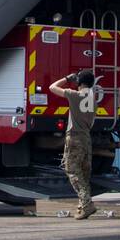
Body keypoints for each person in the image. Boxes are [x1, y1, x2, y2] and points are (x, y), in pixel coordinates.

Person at [49, 70, 98, 219]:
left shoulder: (74, 95)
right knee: (84, 173)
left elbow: (52, 87)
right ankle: (82, 207)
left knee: (72, 171)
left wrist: (66, 78)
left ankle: (86, 204)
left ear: (79, 82)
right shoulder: (93, 98)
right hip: (86, 137)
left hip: (74, 137)